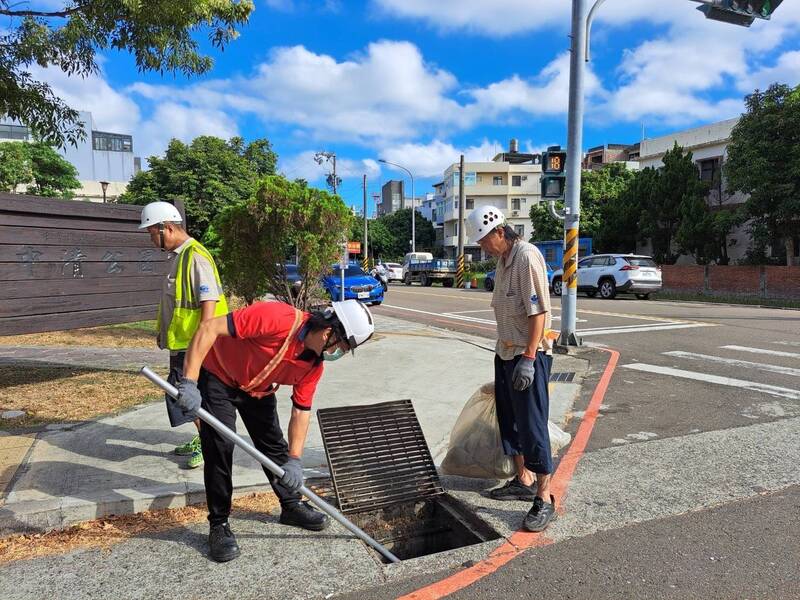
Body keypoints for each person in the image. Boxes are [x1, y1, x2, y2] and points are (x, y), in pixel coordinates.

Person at [173, 299, 375, 562]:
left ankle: (290, 506)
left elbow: (301, 411)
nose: (340, 353)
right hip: (219, 376)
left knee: (274, 446)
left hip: (257, 390)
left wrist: (295, 459)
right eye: (343, 347)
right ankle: (219, 524)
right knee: (220, 444)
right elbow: (209, 328)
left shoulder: (313, 366)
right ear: (329, 333)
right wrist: (190, 381)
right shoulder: (276, 317)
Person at [465, 206, 557, 533]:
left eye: (483, 241)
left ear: (499, 232)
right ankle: (523, 479)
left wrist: (530, 359)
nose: (482, 248)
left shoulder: (526, 257)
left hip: (526, 356)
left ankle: (544, 498)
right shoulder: (503, 261)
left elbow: (538, 314)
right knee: (510, 424)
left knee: (532, 427)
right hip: (505, 354)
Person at [139, 201, 228, 469]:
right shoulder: (179, 257)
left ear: (165, 228)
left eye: (151, 232)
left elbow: (208, 305)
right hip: (182, 344)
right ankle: (204, 439)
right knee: (185, 396)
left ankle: (208, 443)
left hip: (196, 346)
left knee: (185, 395)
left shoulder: (195, 256)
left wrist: (201, 346)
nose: (151, 239)